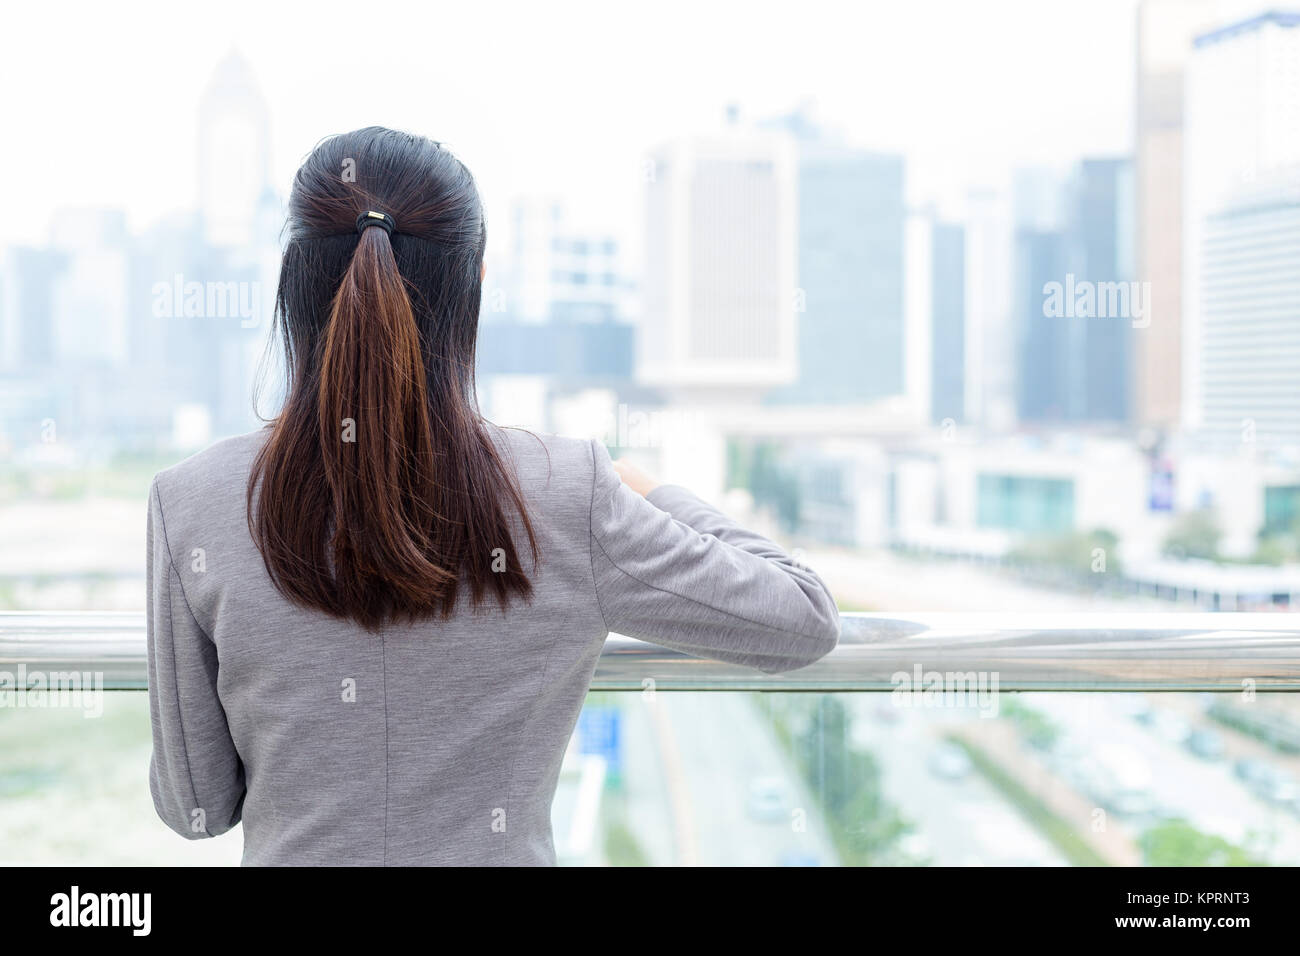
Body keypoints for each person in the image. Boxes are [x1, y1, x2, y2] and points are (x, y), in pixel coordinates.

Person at [146, 126, 840, 865]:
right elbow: (801, 617)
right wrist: (655, 489)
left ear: (293, 276)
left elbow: (198, 807)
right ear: (474, 281)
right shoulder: (569, 492)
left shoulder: (190, 502)